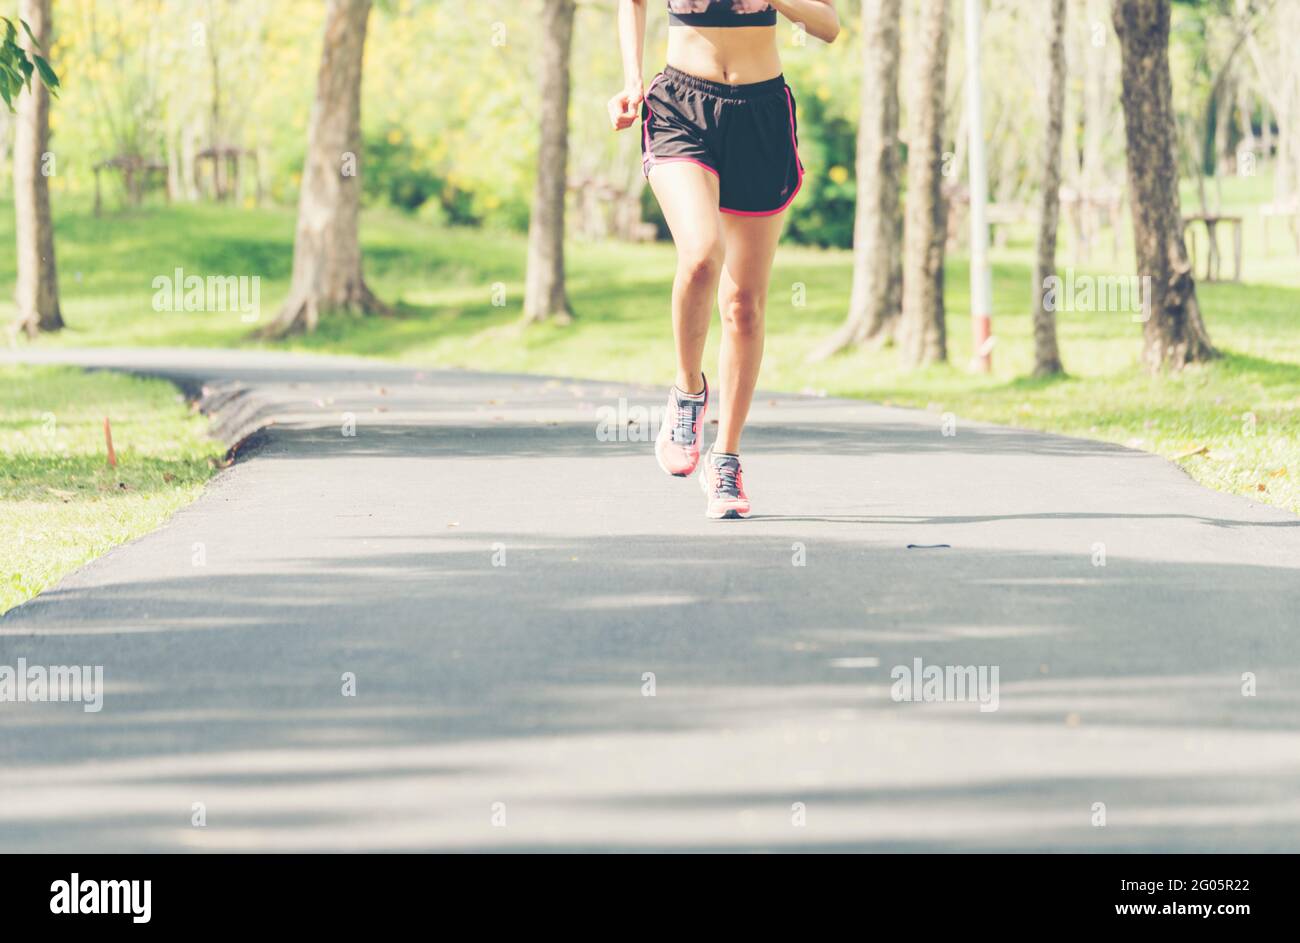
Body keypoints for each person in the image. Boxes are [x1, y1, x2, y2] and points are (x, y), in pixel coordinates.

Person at [608, 0, 839, 519]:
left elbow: (827, 25)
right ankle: (688, 391)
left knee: (743, 304)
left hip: (761, 115)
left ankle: (726, 457)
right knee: (700, 255)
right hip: (680, 107)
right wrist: (632, 80)